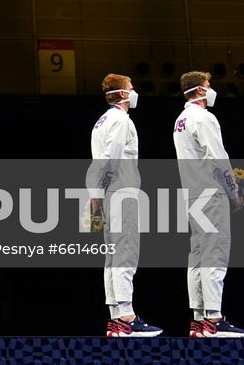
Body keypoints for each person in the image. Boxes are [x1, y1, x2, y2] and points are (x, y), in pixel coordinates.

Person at [172, 71, 244, 338]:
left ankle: (199, 320)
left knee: (198, 256)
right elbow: (218, 157)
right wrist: (233, 191)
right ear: (200, 90)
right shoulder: (204, 117)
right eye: (208, 85)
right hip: (210, 193)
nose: (211, 89)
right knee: (214, 254)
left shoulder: (180, 120)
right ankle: (213, 319)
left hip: (192, 195)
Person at [88, 74, 160, 337]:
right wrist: (100, 190)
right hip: (121, 191)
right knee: (125, 252)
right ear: (121, 94)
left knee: (113, 255)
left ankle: (117, 317)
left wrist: (96, 192)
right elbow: (111, 158)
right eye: (131, 88)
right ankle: (127, 317)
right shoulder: (121, 120)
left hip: (111, 192)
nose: (134, 91)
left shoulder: (101, 121)